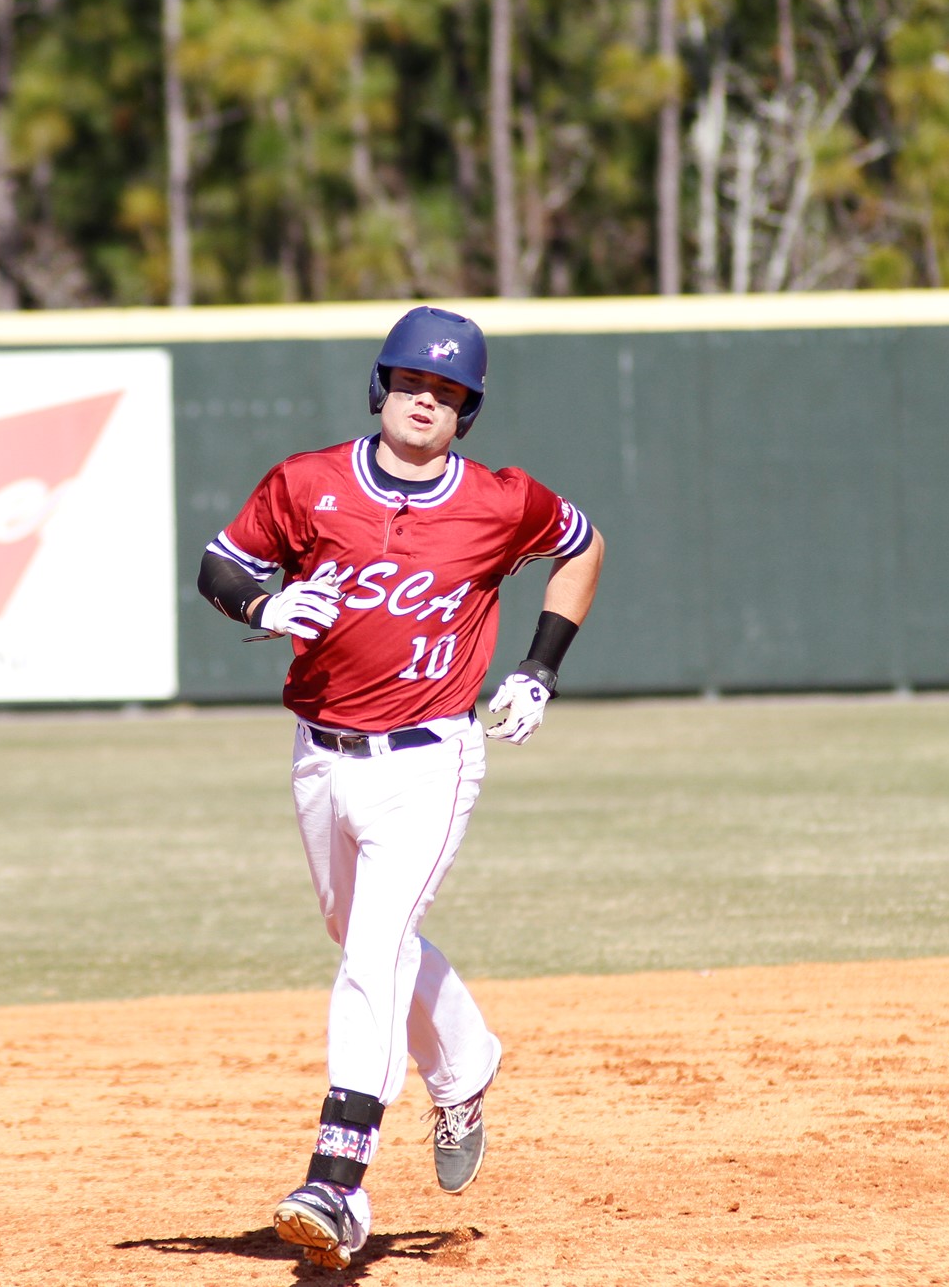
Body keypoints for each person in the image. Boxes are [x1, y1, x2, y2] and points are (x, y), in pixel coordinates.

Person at [196, 306, 605, 1269]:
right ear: (382, 387)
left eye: (451, 393)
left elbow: (582, 544)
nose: (430, 402)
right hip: (319, 750)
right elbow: (221, 561)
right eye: (415, 384)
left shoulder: (500, 502)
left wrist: (540, 668)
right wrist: (263, 600)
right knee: (361, 936)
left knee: (371, 951)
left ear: (469, 410)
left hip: (432, 757)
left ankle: (336, 1182)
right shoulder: (308, 482)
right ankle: (467, 1062)